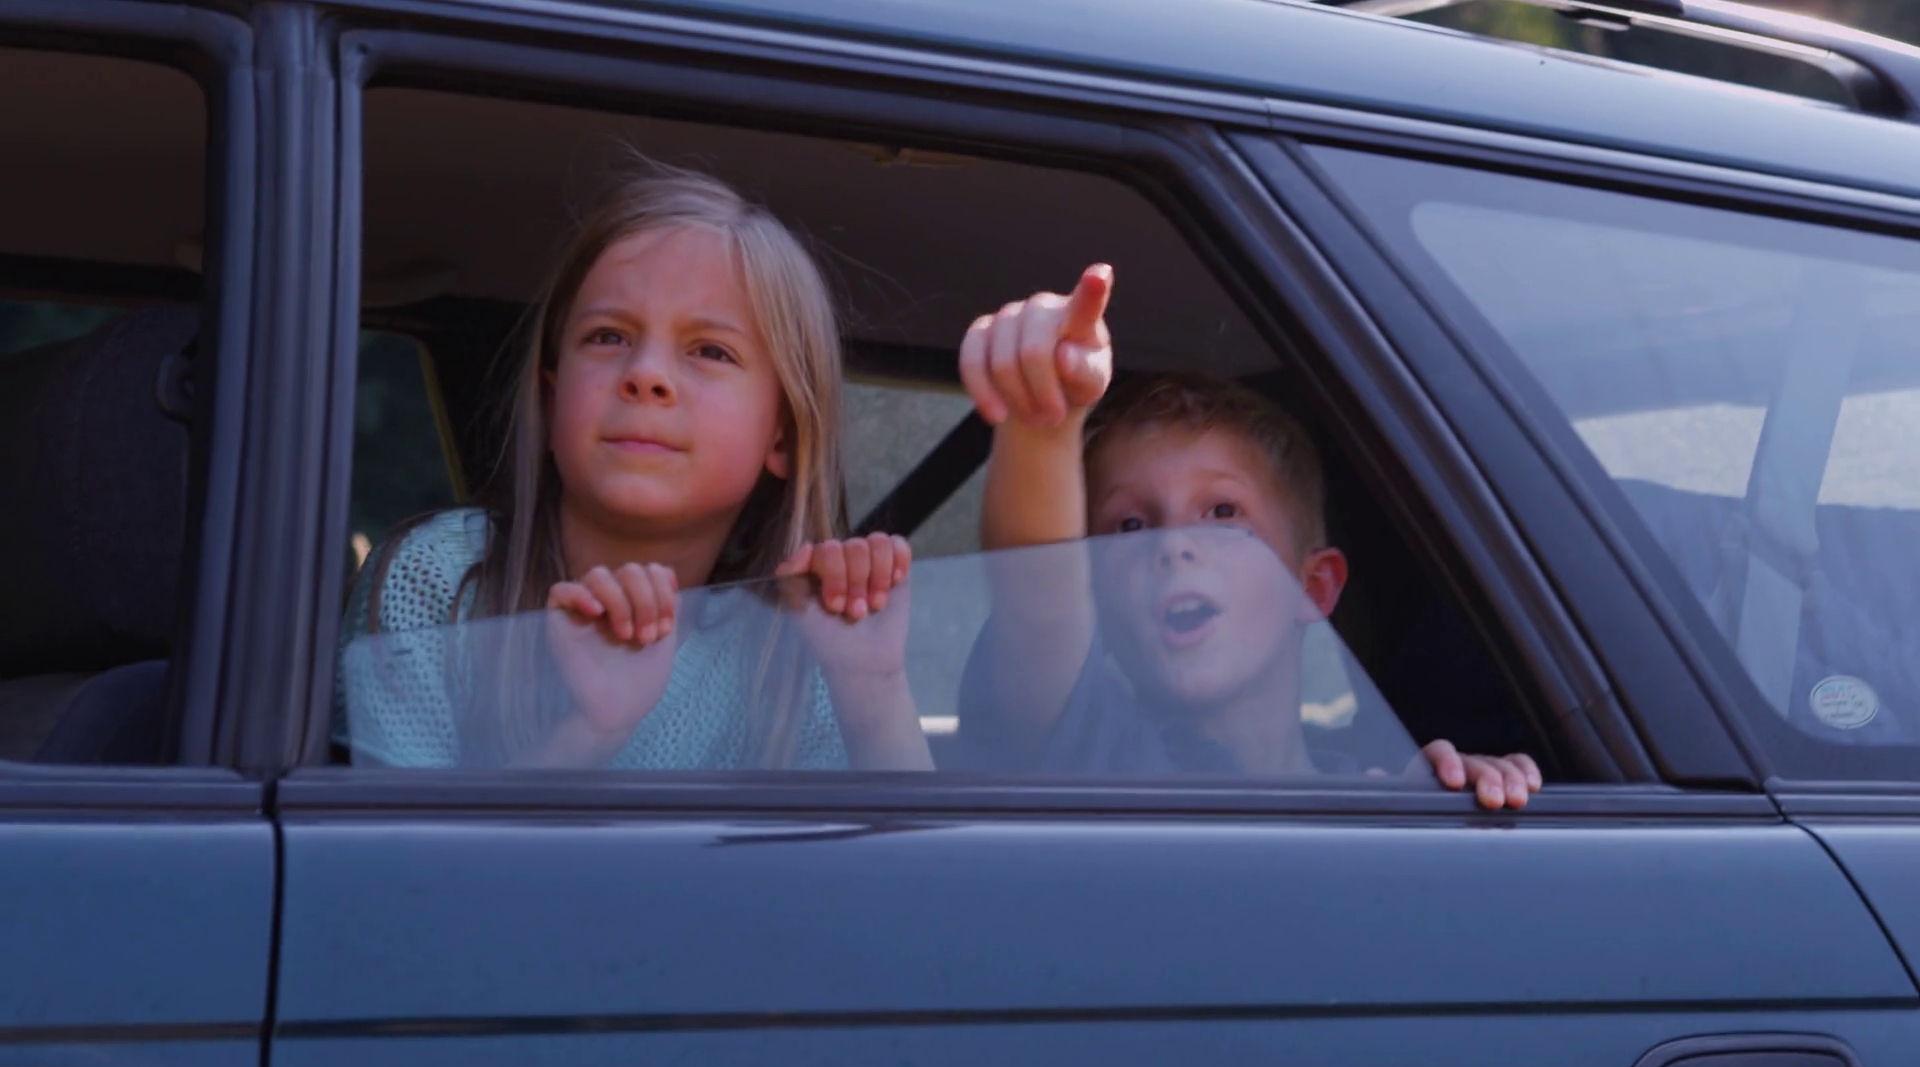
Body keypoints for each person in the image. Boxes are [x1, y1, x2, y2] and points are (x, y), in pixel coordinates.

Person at [335, 162, 929, 772]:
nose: (646, 375)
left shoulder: (801, 642)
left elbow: (918, 868)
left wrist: (874, 693)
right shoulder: (439, 580)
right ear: (549, 399)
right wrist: (592, 730)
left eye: (710, 351)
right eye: (608, 337)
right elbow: (407, 864)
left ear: (785, 436)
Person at [955, 265, 1541, 808]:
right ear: (1098, 607)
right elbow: (1038, 600)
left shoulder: (1378, 784)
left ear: (1313, 587)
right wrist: (1044, 422)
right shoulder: (1095, 751)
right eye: (1130, 526)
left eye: (1222, 511)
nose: (1172, 545)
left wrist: (1455, 798)